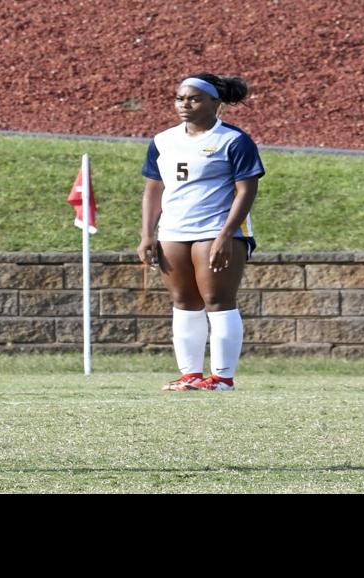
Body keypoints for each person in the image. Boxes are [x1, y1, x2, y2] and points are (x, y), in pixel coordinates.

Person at [137, 74, 265, 392]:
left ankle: (222, 378)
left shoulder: (233, 140)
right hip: (174, 231)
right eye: (180, 98)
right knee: (184, 301)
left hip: (216, 230)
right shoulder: (163, 140)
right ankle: (190, 375)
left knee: (218, 301)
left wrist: (226, 235)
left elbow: (246, 190)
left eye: (193, 98)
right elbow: (153, 189)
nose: (185, 104)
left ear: (215, 104)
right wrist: (147, 234)